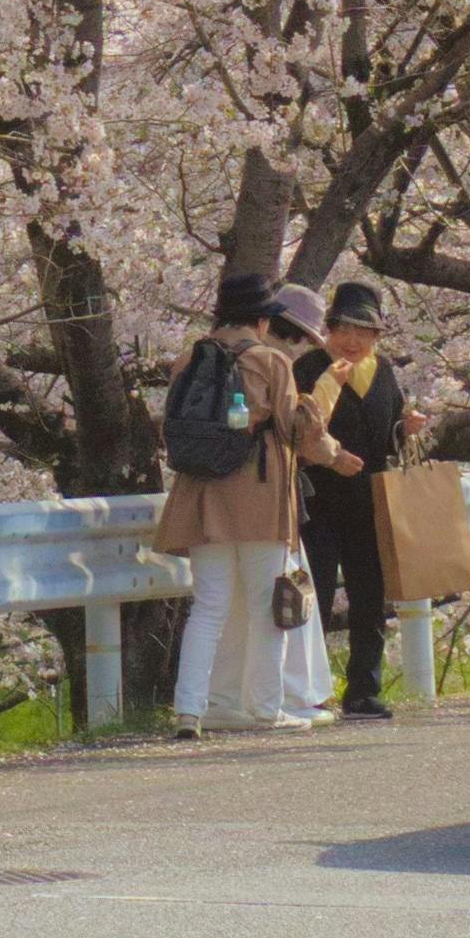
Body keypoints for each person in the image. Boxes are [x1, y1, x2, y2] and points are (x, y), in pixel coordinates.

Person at [148, 273, 328, 735]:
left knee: (208, 606)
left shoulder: (190, 357)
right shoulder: (271, 361)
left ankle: (196, 708)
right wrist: (315, 411)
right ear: (263, 320)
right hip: (259, 496)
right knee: (268, 603)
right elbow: (294, 432)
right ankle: (266, 708)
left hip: (202, 494)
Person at [303, 278, 413, 721]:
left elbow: (391, 431)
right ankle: (310, 690)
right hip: (321, 502)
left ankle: (364, 690)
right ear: (328, 330)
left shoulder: (382, 372)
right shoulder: (309, 368)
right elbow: (298, 431)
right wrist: (330, 459)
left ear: (377, 336)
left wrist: (410, 427)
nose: (352, 340)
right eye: (344, 330)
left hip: (370, 501)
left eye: (363, 332)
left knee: (370, 597)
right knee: (319, 597)